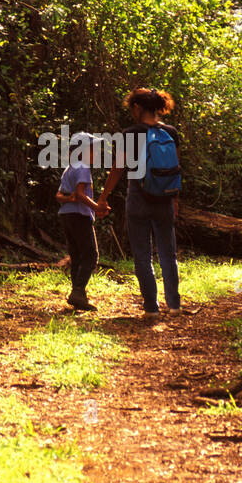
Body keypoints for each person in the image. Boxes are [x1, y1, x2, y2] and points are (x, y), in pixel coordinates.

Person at [97, 89, 182, 317]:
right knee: (168, 254)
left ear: (137, 107)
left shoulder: (130, 133)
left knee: (142, 255)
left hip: (138, 198)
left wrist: (103, 197)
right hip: (165, 197)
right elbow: (175, 169)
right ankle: (174, 305)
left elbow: (117, 169)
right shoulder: (171, 133)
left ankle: (151, 308)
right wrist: (174, 199)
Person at [54, 132, 109, 311]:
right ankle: (78, 291)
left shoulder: (69, 168)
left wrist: (73, 200)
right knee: (91, 255)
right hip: (79, 216)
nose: (97, 153)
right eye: (94, 149)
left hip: (66, 216)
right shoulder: (83, 167)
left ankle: (78, 294)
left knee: (77, 255)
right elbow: (80, 194)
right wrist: (97, 207)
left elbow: (59, 195)